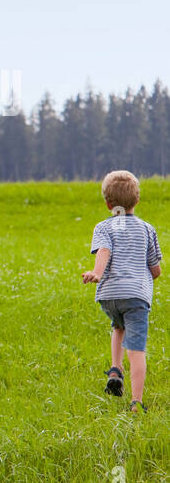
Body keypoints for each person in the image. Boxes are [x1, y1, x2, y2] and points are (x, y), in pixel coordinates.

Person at [82, 170, 162, 412]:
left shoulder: (103, 227)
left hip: (109, 296)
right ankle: (136, 402)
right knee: (136, 348)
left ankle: (116, 369)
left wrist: (97, 273)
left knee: (118, 326)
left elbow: (104, 251)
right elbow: (155, 269)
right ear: (137, 200)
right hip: (135, 295)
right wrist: (150, 274)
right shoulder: (147, 229)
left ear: (108, 203)